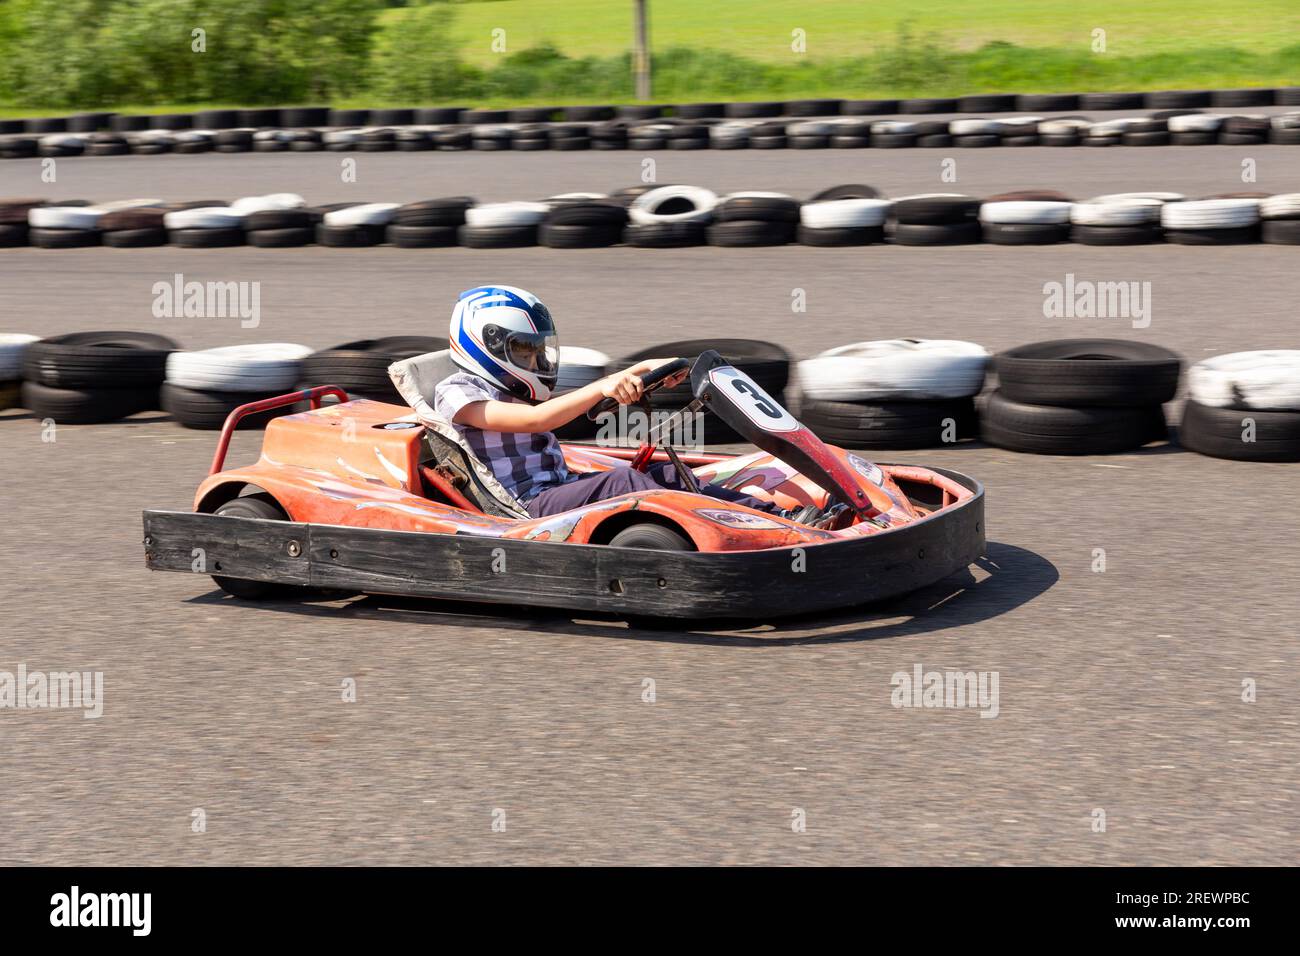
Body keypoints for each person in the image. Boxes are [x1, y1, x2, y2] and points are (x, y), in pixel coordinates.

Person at [433, 284, 839, 525]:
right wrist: (604, 385)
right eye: (523, 349)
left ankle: (777, 520)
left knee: (667, 474)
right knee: (623, 483)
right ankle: (735, 530)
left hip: (559, 486)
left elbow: (555, 408)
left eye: (537, 349)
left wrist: (641, 369)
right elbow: (536, 420)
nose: (535, 360)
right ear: (482, 343)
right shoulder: (456, 393)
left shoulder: (515, 387)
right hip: (526, 505)